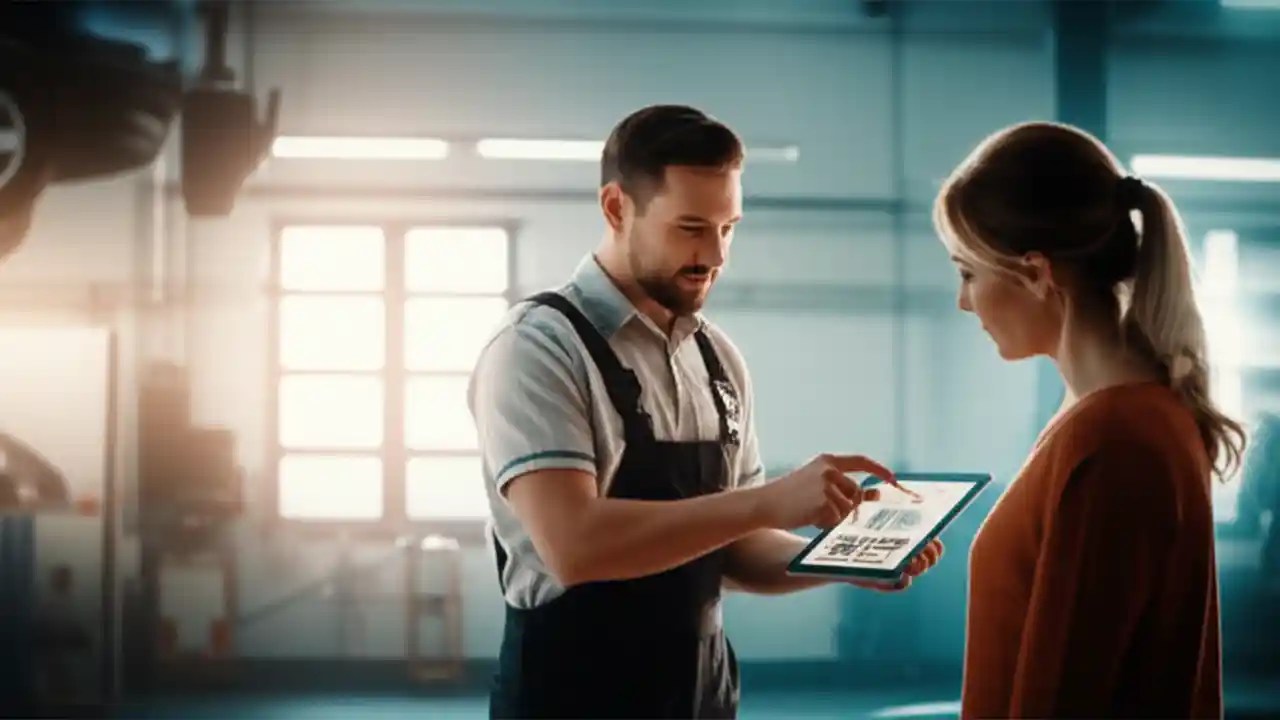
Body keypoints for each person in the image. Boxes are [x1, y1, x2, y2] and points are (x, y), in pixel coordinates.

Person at [468, 104, 943, 719]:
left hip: (701, 699)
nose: (714, 255)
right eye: (690, 227)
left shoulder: (718, 360)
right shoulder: (536, 348)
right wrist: (771, 501)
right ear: (616, 208)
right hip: (572, 698)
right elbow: (574, 546)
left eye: (728, 227)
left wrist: (842, 558)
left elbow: (734, 551)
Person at [935, 121, 1248, 719]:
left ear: (1034, 272)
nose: (963, 300)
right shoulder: (1119, 416)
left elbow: (1062, 699)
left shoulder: (1112, 438)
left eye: (967, 272)